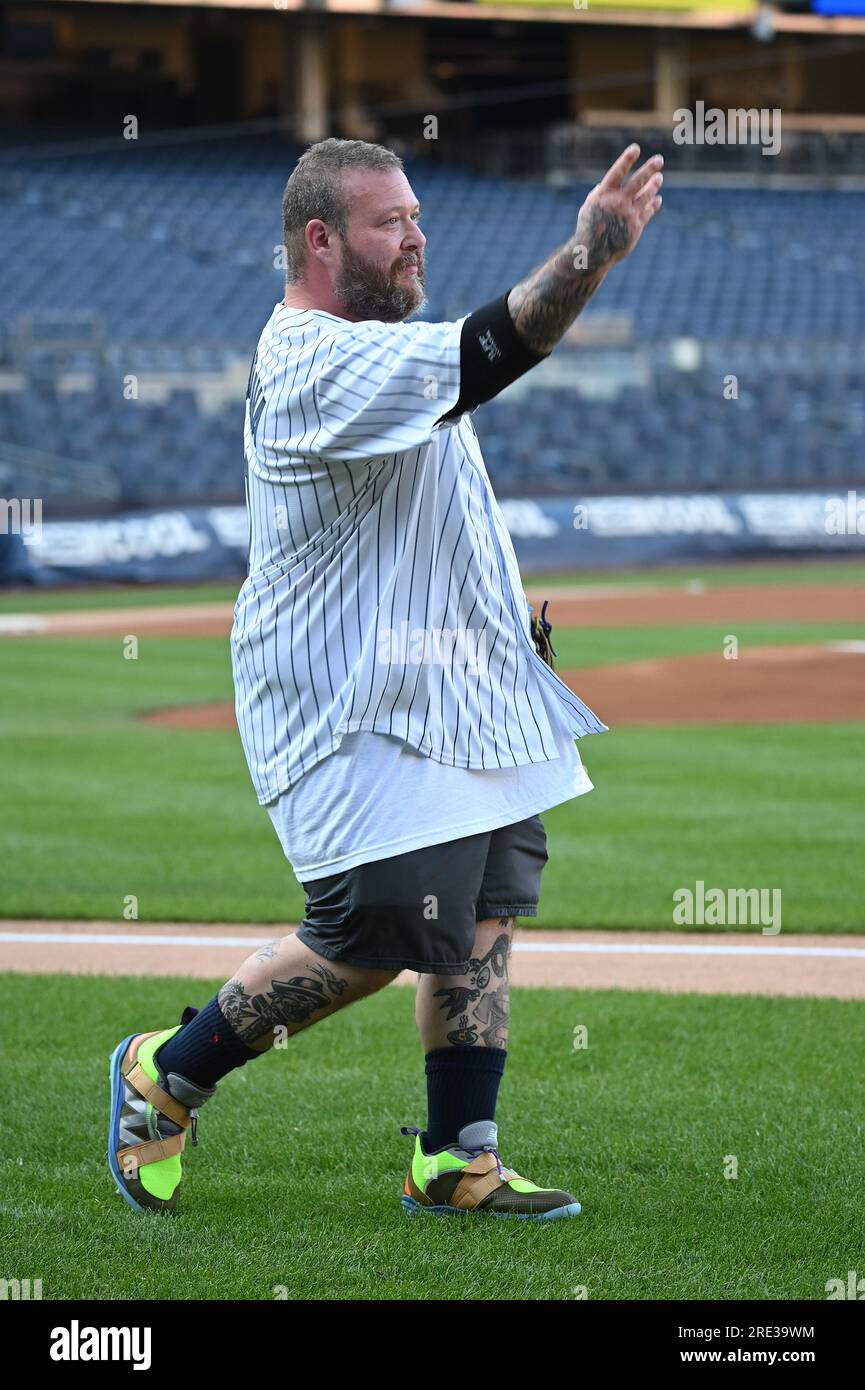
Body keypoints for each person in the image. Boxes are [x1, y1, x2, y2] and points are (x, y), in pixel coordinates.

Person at [108, 137, 663, 1220]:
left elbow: (441, 516)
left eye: (416, 213)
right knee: (373, 932)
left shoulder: (381, 344)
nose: (415, 234)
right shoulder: (317, 358)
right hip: (357, 703)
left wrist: (506, 632)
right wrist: (590, 255)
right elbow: (499, 344)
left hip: (467, 689)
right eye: (388, 220)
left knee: (486, 918)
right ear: (319, 240)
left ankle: (458, 1158)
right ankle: (164, 1073)